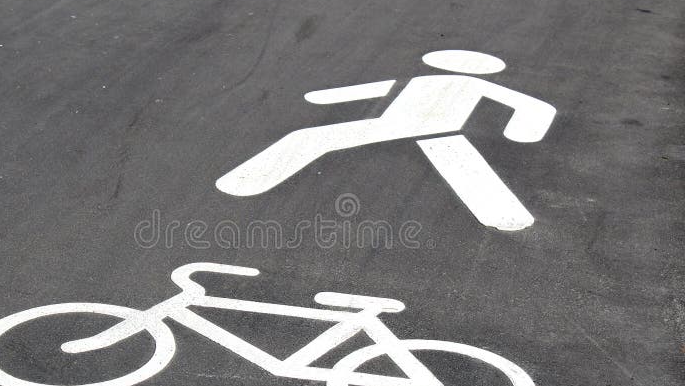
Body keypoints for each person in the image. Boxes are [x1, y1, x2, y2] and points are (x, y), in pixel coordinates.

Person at [216, 50, 556, 231]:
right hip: (406, 125)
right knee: (466, 169)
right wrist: (326, 96)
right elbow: (377, 90)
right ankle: (505, 215)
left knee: (312, 137)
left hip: (413, 126)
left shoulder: (473, 84)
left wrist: (523, 129)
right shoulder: (426, 82)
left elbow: (527, 106)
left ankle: (250, 179)